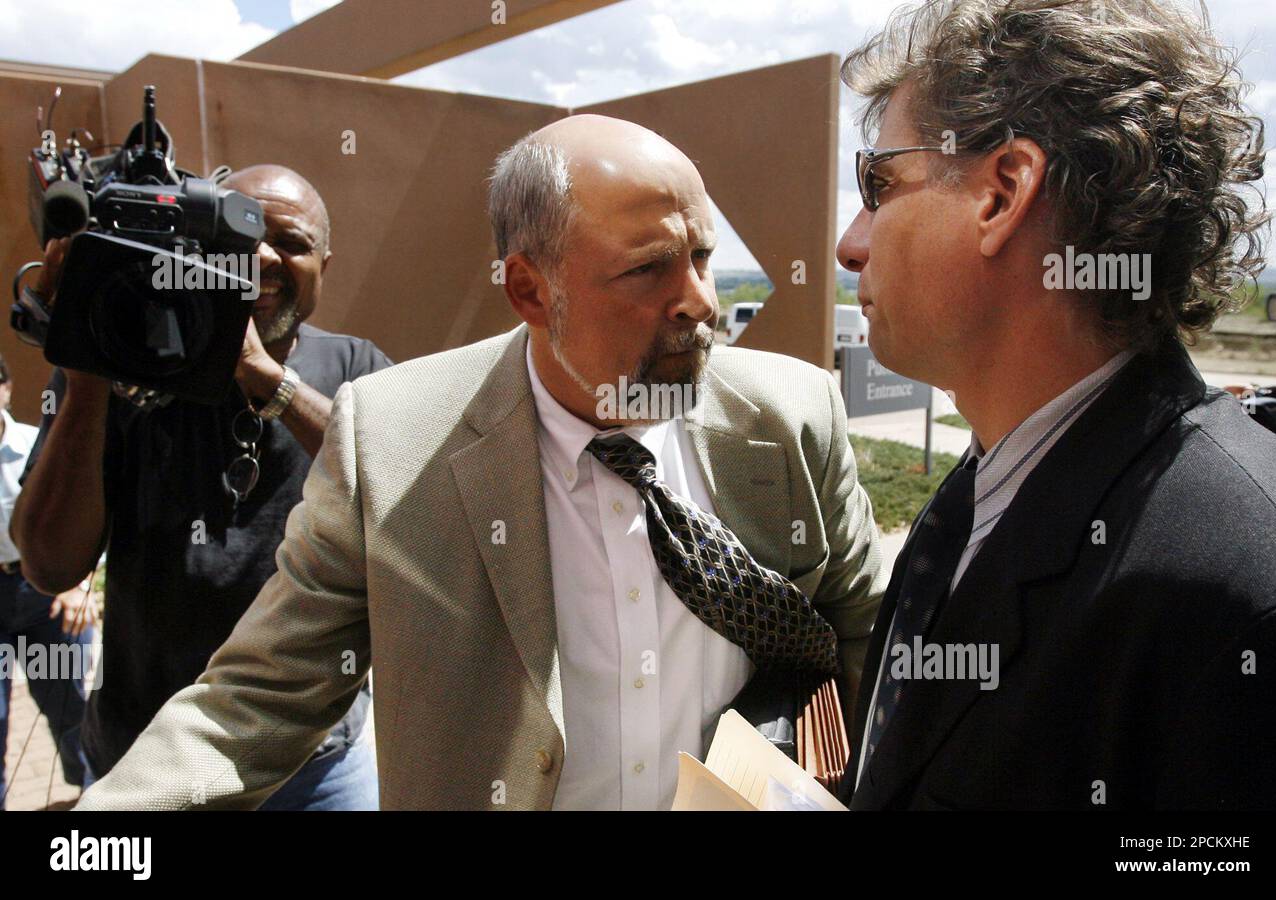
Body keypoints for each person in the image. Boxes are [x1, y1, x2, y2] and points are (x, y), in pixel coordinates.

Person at [75, 115, 884, 811]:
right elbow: (256, 699)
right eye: (650, 268)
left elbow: (862, 627)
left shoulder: (793, 416)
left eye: (704, 256)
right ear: (530, 292)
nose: (702, 302)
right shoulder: (395, 443)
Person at [836, 0, 1276, 809]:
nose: (849, 242)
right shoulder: (978, 496)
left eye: (879, 182)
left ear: (1003, 192)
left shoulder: (1251, 597)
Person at [12, 165, 392, 810]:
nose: (266, 257)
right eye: (241, 239)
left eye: (293, 243)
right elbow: (49, 564)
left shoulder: (355, 369)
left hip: (314, 761)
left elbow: (405, 491)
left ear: (325, 263)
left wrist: (262, 378)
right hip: (149, 755)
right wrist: (87, 376)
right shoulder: (114, 361)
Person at [0, 353, 94, 809]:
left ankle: (95, 797)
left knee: (69, 708)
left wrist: (81, 584)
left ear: (5, 390)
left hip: (45, 598)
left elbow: (87, 514)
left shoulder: (38, 446)